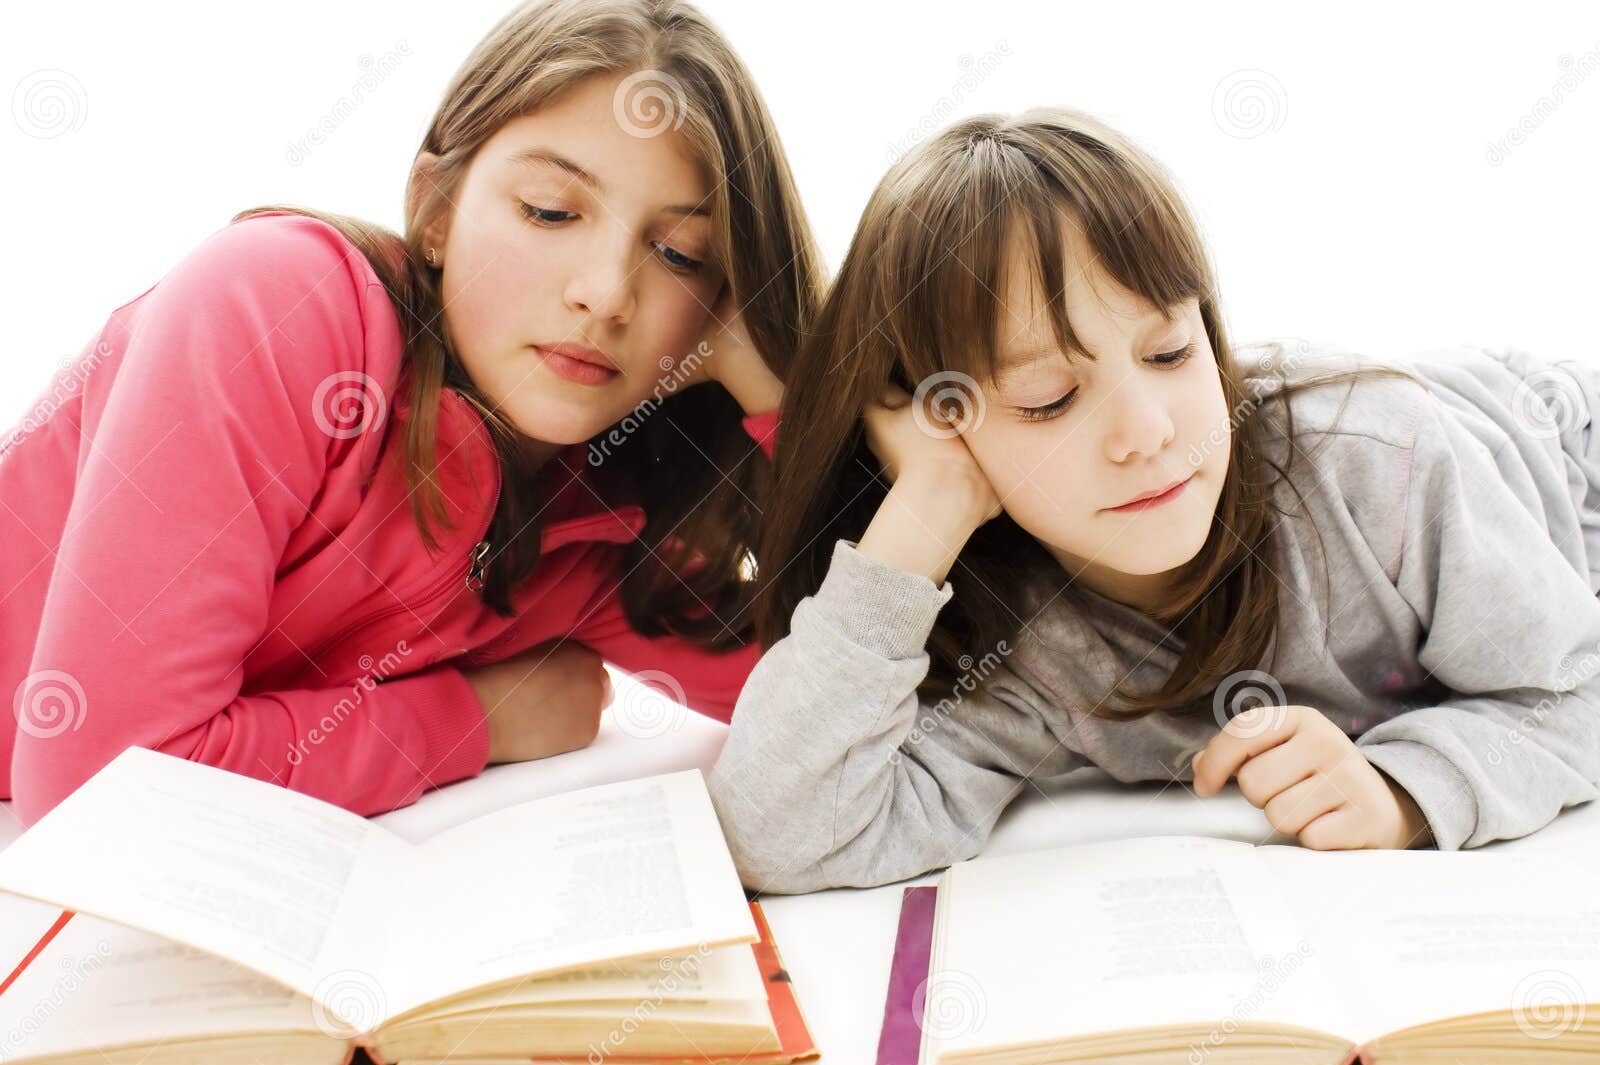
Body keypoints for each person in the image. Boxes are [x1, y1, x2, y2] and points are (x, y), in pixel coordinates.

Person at [706, 107, 1600, 893]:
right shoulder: (1017, 641)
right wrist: (926, 509)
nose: (1148, 432)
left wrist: (1406, 793)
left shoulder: (1381, 461)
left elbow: (1574, 690)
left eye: (1171, 353)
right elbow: (781, 834)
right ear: (945, 427)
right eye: (1049, 398)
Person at [0, 0, 822, 827]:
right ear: (437, 211)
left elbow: (856, 718)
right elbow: (96, 795)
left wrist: (782, 396)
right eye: (549, 210)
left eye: (682, 255)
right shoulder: (278, 306)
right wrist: (482, 717)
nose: (606, 294)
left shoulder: (602, 518)